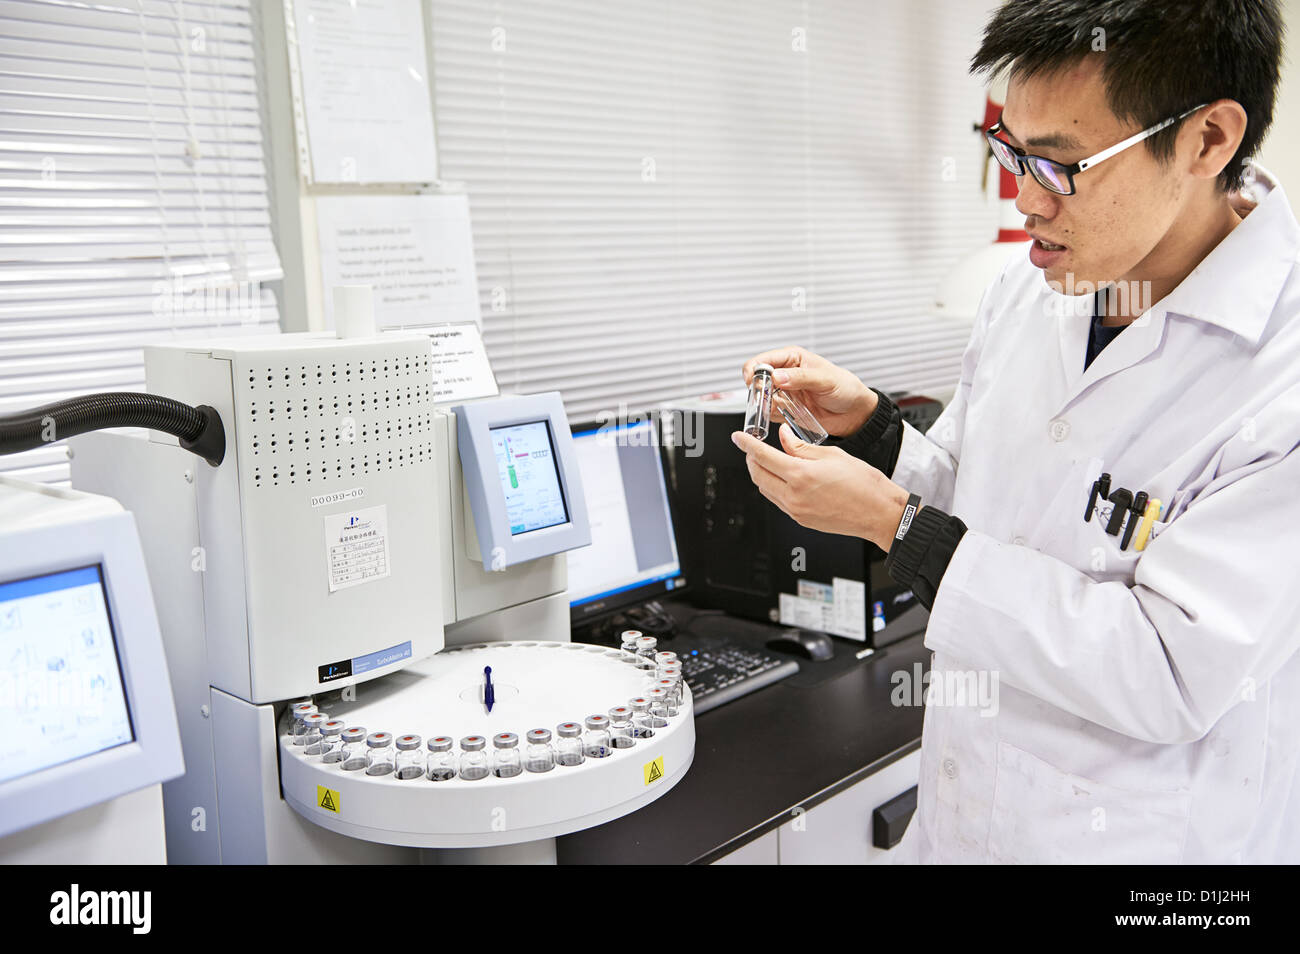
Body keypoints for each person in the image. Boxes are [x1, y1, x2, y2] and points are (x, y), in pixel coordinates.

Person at [731, 0, 1298, 863]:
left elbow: (1170, 671)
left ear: (1208, 140)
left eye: (1062, 164)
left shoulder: (1280, 372)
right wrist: (880, 431)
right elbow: (984, 496)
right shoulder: (1030, 290)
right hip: (965, 819)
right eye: (1009, 150)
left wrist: (897, 527)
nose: (1024, 199)